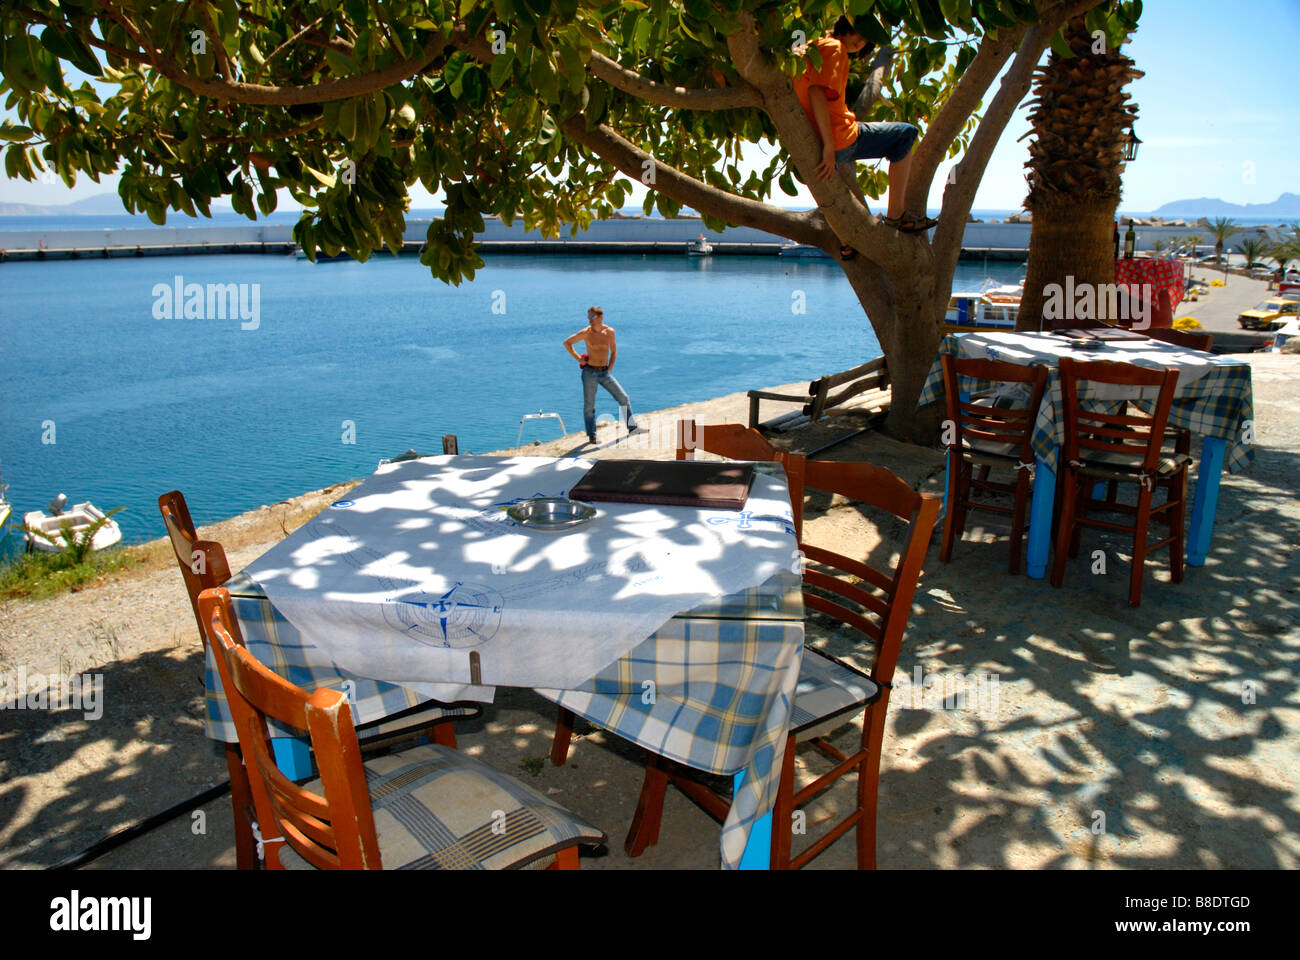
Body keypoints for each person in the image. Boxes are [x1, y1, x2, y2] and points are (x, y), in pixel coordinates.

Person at [794, 16, 938, 258]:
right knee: (906, 134)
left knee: (838, 194)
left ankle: (847, 242)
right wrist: (829, 146)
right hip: (839, 136)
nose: (860, 42)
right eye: (856, 34)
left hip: (819, 135)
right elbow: (817, 92)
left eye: (865, 40)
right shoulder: (835, 48)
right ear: (844, 28)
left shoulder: (810, 47)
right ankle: (896, 218)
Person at [563, 306, 638, 444]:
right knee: (589, 406)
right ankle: (592, 435)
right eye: (588, 317)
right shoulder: (586, 332)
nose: (590, 320)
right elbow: (567, 343)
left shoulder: (609, 332)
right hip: (589, 372)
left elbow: (614, 352)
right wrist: (578, 358)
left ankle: (632, 428)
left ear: (600, 317)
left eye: (592, 317)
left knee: (623, 397)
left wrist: (609, 368)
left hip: (604, 372)